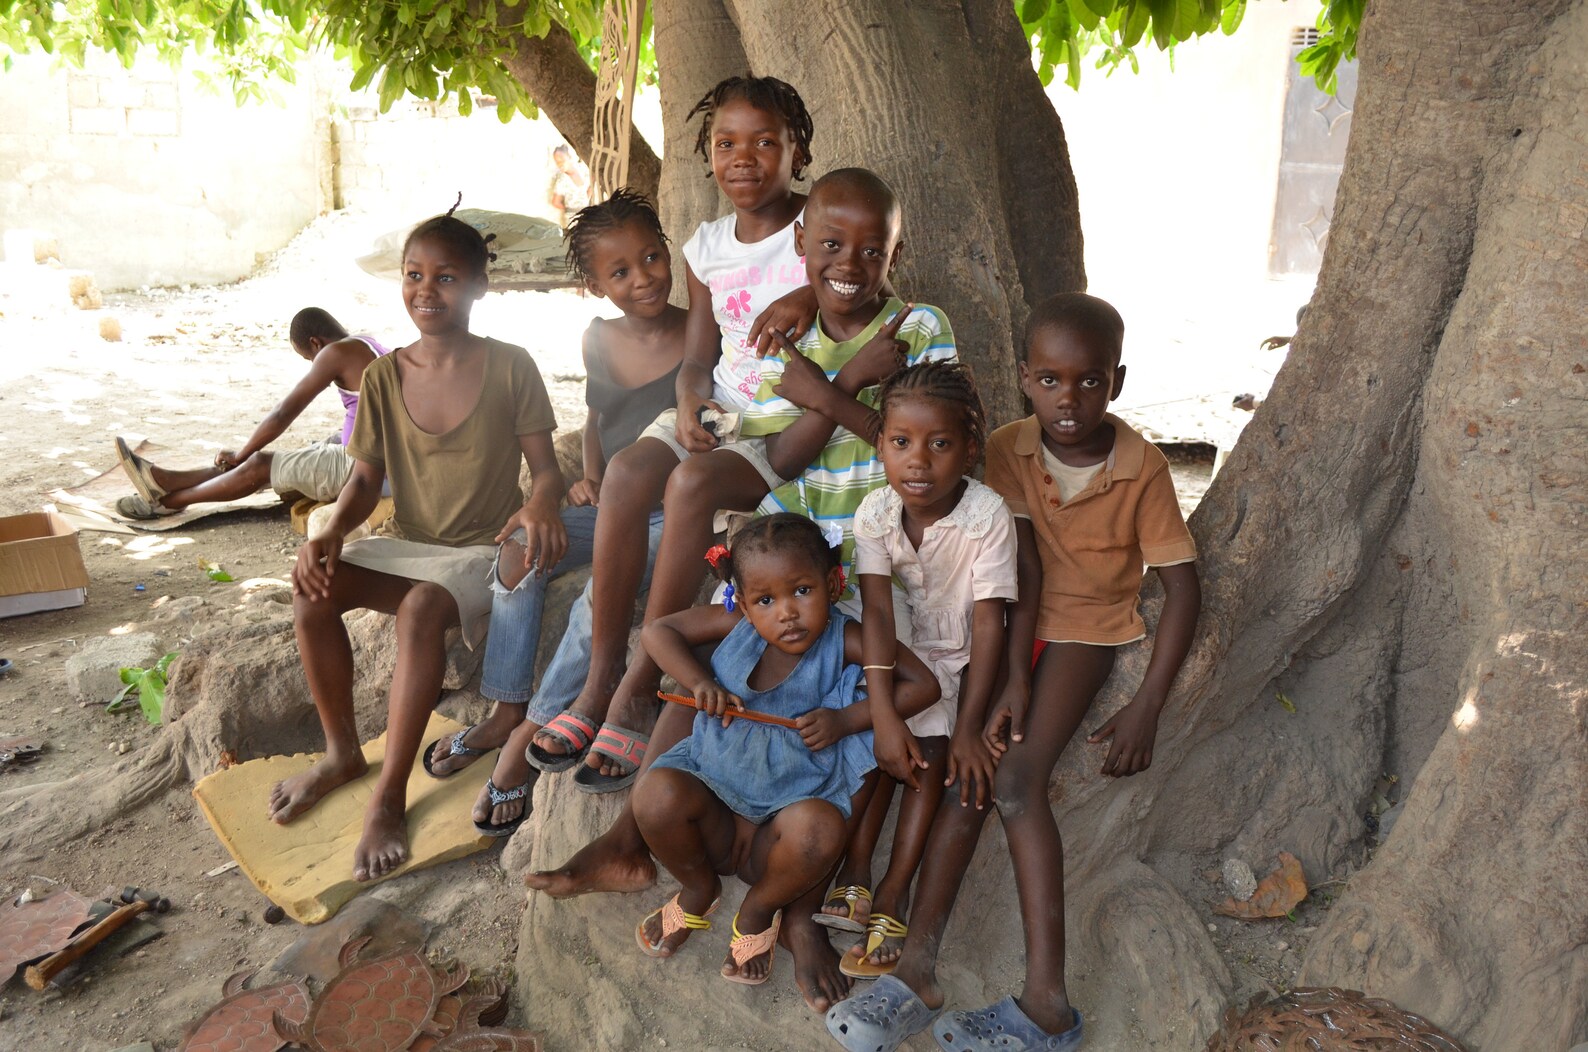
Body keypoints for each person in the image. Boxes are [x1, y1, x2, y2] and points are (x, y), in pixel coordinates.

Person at [824, 292, 1202, 1052]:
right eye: (1053, 381)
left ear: (1116, 382)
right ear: (1026, 379)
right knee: (970, 783)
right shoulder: (1003, 447)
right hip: (1003, 623)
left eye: (1090, 382)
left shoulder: (1142, 467)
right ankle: (917, 974)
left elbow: (1183, 588)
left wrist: (1148, 704)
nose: (1071, 399)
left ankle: (1047, 1007)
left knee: (1019, 783)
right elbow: (1015, 568)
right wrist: (1007, 682)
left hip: (1085, 634)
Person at [572, 165, 947, 792]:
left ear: (894, 253)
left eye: (871, 250)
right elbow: (790, 456)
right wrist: (838, 387)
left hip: (871, 550)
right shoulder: (791, 337)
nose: (849, 262)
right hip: (798, 536)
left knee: (845, 698)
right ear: (803, 246)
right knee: (722, 659)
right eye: (830, 246)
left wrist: (834, 388)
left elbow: (919, 459)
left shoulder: (917, 329)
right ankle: (638, 780)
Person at [523, 74, 824, 785]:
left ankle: (638, 687)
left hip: (786, 418)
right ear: (705, 153)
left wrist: (811, 290)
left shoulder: (820, 226)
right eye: (725, 143)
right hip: (721, 404)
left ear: (797, 149)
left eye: (764, 142)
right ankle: (599, 680)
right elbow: (698, 358)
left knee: (690, 481)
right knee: (628, 471)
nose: (743, 158)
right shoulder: (706, 246)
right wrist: (688, 403)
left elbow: (868, 263)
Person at [274, 202, 568, 883]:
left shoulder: (510, 366)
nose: (426, 292)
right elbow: (364, 481)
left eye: (446, 277)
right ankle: (342, 752)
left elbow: (546, 469)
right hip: (405, 541)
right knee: (312, 589)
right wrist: (329, 532)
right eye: (414, 276)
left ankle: (389, 794)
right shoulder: (380, 377)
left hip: (474, 551)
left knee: (421, 609)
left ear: (479, 286)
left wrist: (541, 502)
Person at [418, 190, 686, 838]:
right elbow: (596, 420)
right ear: (595, 285)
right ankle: (507, 708)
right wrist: (589, 477)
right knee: (519, 551)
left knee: (603, 593)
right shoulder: (600, 338)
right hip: (610, 506)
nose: (643, 276)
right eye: (620, 271)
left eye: (652, 257)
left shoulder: (700, 336)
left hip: (670, 516)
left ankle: (529, 737)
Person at [631, 513, 939, 988]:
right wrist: (699, 682)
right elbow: (656, 633)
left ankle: (759, 908)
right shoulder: (736, 623)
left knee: (819, 830)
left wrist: (847, 719)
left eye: (802, 591)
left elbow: (924, 685)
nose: (786, 613)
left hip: (781, 834)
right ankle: (697, 887)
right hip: (711, 804)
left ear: (833, 585)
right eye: (766, 600)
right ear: (744, 601)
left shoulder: (846, 639)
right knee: (653, 796)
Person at [818, 361, 1016, 982]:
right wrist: (880, 711)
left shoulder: (986, 516)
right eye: (901, 443)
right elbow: (876, 607)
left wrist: (970, 726)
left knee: (927, 747)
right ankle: (855, 872)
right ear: (879, 444)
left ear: (971, 451)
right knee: (877, 742)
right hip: (898, 645)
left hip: (959, 653)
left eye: (940, 445)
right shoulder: (876, 512)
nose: (918, 462)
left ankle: (895, 891)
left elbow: (990, 626)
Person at [113, 308, 389, 519]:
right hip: (379, 455)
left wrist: (242, 453)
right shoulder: (366, 343)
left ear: (315, 343)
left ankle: (166, 502)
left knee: (260, 464)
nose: (313, 365)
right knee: (313, 448)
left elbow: (283, 413)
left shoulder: (334, 353)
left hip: (370, 471)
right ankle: (168, 480)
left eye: (308, 358)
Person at [548, 144, 590, 228]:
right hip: (572, 219)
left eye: (562, 161)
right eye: (557, 162)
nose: (560, 165)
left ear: (569, 157)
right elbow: (555, 202)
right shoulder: (562, 180)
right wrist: (568, 210)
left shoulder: (583, 169)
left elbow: (592, 183)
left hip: (588, 215)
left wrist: (587, 199)